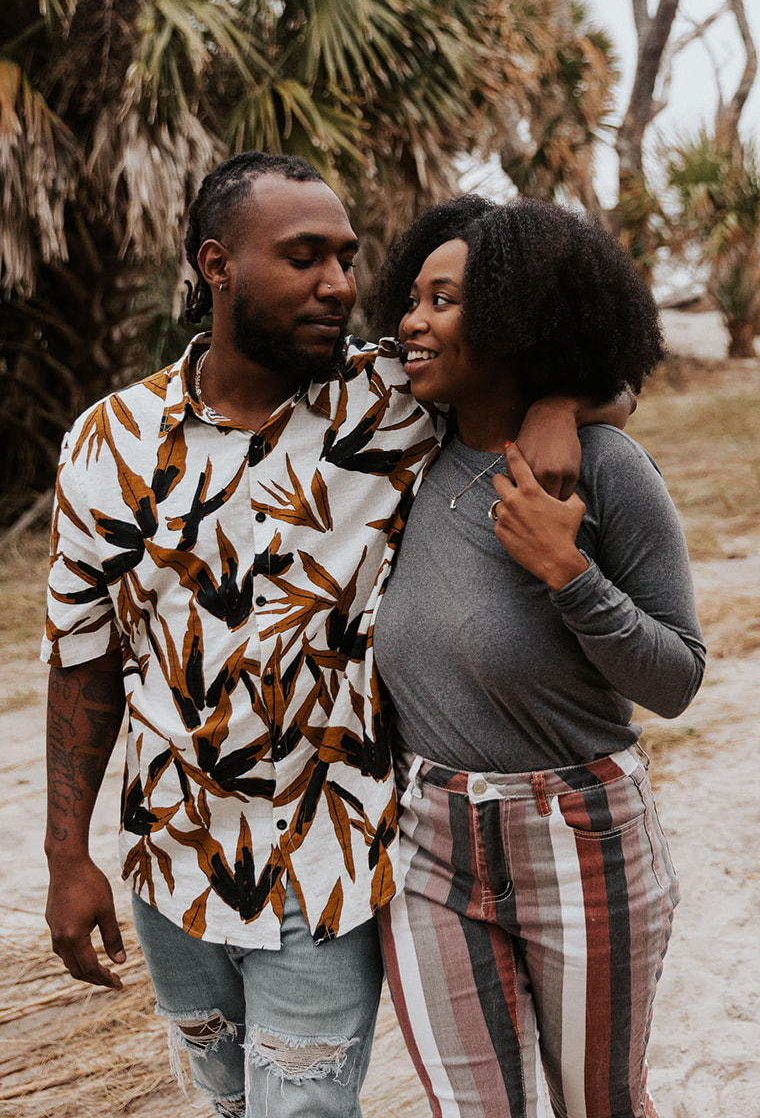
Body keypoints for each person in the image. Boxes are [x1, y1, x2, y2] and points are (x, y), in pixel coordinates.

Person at [42, 153, 593, 1118]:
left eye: (345, 258)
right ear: (216, 265)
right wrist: (65, 857)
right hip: (170, 862)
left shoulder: (390, 404)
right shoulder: (107, 443)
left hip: (326, 863)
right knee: (223, 1099)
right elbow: (81, 656)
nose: (340, 284)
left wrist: (555, 405)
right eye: (304, 258)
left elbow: (589, 367)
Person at [368, 195, 706, 1118]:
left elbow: (675, 678)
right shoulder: (398, 451)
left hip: (581, 837)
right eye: (411, 298)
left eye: (443, 302)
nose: (410, 319)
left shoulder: (603, 467)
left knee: (600, 1105)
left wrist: (568, 572)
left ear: (521, 319)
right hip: (428, 843)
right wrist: (564, 396)